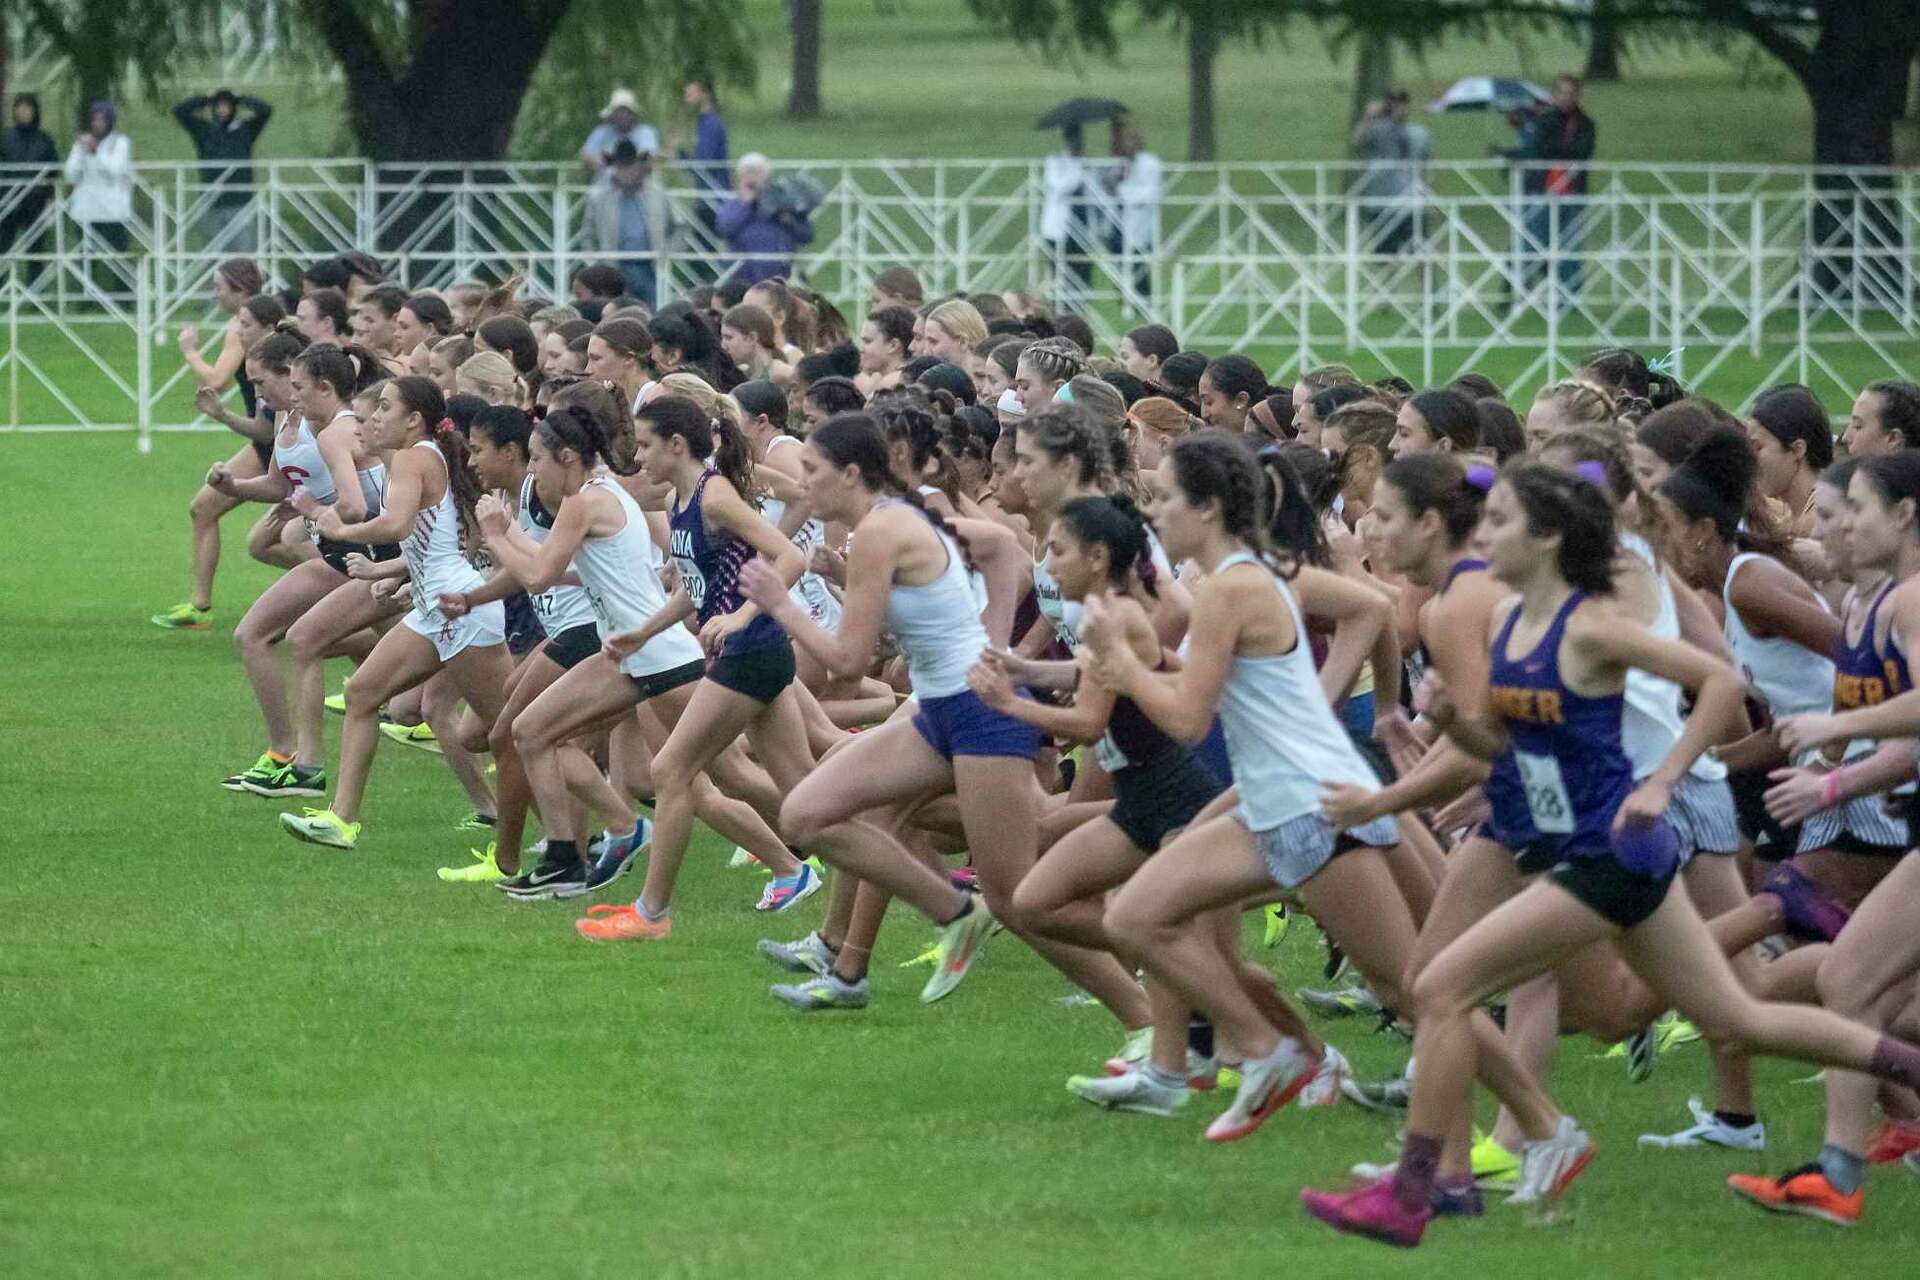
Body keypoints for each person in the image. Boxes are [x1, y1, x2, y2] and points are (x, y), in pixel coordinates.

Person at [1504, 75, 1597, 298]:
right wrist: (1563, 151)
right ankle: (1514, 292)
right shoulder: (1543, 121)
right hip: (1541, 191)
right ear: (1553, 95)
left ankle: (1569, 298)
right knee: (1532, 243)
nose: (1566, 97)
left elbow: (1582, 152)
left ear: (1578, 95)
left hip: (1572, 192)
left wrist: (1558, 151)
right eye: (1562, 92)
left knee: (1570, 248)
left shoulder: (1586, 124)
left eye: (1571, 93)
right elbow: (1540, 150)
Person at [171, 89, 272, 250]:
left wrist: (241, 99)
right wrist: (206, 100)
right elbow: (179, 111)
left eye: (227, 106)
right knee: (214, 253)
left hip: (240, 200)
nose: (222, 110)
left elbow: (266, 110)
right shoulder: (203, 131)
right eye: (219, 106)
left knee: (242, 252)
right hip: (212, 202)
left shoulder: (245, 130)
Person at [588, 139, 671, 305]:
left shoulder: (657, 194)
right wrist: (596, 263)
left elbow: (680, 228)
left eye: (631, 166)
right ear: (615, 168)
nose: (627, 172)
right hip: (615, 268)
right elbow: (588, 234)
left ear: (640, 167)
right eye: (621, 167)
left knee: (654, 313)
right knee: (617, 315)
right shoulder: (600, 197)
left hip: (651, 268)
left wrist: (668, 252)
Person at [1350, 88, 1430, 256]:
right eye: (1392, 103)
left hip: (1411, 202)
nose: (1397, 107)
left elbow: (1427, 167)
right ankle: (1386, 282)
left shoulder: (1418, 133)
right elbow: (1357, 142)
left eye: (1401, 102)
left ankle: (1429, 283)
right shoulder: (1376, 130)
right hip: (1382, 201)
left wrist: (1428, 195)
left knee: (1422, 251)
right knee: (1385, 254)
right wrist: (1368, 117)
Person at [715, 154, 812, 286]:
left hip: (781, 276)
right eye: (748, 173)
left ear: (767, 176)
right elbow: (724, 228)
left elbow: (806, 235)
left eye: (756, 173)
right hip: (743, 277)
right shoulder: (734, 205)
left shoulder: (782, 201)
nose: (752, 178)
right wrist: (745, 203)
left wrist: (789, 218)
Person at [64, 100, 134, 270]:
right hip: (86, 211)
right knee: (87, 262)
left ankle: (123, 295)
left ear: (110, 121)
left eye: (102, 120)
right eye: (94, 120)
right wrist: (82, 153)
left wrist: (95, 153)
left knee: (119, 259)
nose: (97, 124)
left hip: (113, 212)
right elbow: (70, 173)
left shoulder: (120, 142)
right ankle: (87, 295)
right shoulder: (82, 143)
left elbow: (115, 169)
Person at [1103, 116, 1162, 301]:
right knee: (1118, 259)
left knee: (1139, 263)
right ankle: (1125, 297)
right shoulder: (1120, 164)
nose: (1127, 147)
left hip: (1140, 221)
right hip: (1118, 222)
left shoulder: (1149, 163)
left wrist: (1123, 192)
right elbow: (1108, 187)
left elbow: (1151, 193)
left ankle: (1143, 300)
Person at [1042, 124, 1093, 310]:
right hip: (1060, 229)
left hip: (1083, 227)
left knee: (1082, 272)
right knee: (1060, 273)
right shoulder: (1055, 161)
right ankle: (1061, 311)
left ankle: (1079, 309)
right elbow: (1062, 186)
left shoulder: (1087, 165)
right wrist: (1079, 166)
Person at [2, 93, 58, 257]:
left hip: (36, 203)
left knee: (36, 253)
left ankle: (34, 283)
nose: (24, 111)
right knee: (3, 250)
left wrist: (49, 197)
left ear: (35, 111)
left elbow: (53, 171)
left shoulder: (44, 140)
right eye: (20, 107)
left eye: (28, 107)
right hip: (8, 202)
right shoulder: (5, 138)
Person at [580, 89, 660, 174]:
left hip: (640, 183)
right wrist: (603, 160)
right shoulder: (601, 132)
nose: (622, 115)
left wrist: (628, 162)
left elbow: (650, 158)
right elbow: (585, 156)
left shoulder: (645, 132)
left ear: (632, 114)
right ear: (612, 114)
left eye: (625, 111)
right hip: (605, 183)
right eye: (618, 111)